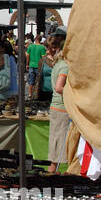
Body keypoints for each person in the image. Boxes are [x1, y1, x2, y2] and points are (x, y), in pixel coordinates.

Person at [46, 32, 69, 174]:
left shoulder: (58, 64)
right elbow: (59, 87)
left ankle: (53, 170)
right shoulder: (65, 66)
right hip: (62, 107)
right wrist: (73, 94)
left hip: (56, 106)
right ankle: (55, 171)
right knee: (60, 142)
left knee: (55, 141)